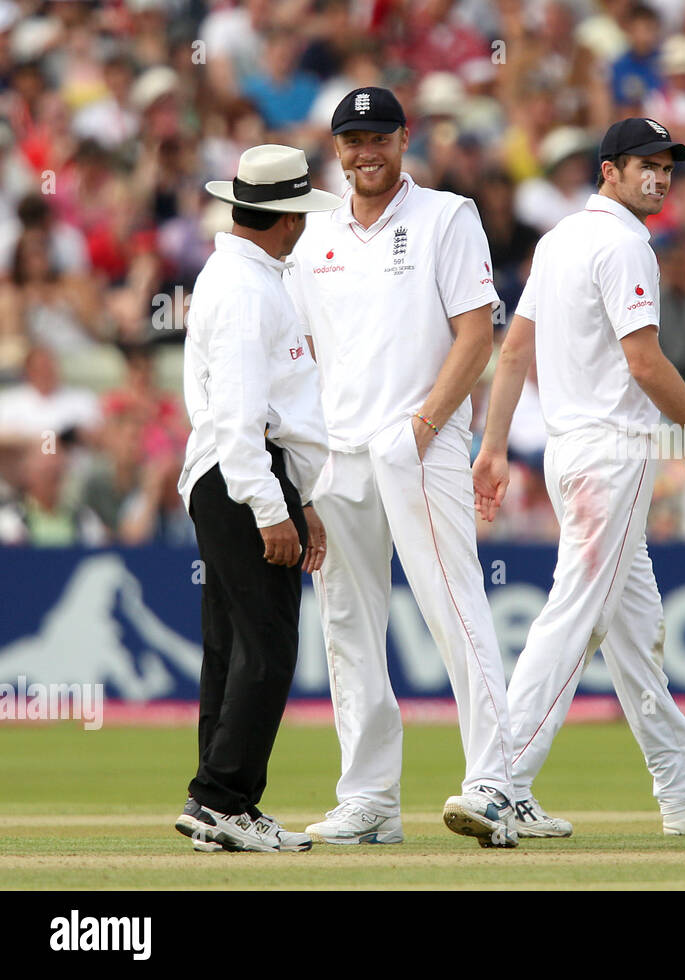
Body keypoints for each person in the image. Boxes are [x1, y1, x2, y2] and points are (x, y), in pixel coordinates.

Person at [473, 117, 685, 837]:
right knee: (577, 613)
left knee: (636, 626)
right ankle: (499, 782)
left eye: (667, 168)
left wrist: (495, 445)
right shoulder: (628, 244)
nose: (659, 178)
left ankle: (683, 786)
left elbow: (513, 356)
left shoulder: (560, 238)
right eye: (644, 166)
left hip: (571, 452)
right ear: (609, 170)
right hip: (613, 451)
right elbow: (645, 364)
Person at [283, 88, 520, 848]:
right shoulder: (313, 231)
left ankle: (495, 783)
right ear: (336, 147)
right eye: (353, 141)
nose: (366, 152)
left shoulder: (447, 216)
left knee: (453, 609)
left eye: (379, 137)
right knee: (348, 627)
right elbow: (306, 348)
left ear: (404, 138)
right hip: (337, 452)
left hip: (421, 441)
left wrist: (421, 427)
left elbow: (476, 334)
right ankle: (370, 799)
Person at [173, 144, 338, 853]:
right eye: (297, 213)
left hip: (242, 473)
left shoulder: (248, 276)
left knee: (233, 645)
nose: (303, 225)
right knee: (266, 646)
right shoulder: (244, 288)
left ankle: (219, 801)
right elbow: (243, 417)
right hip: (241, 472)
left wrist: (292, 498)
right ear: (282, 218)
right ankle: (223, 800)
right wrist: (269, 505)